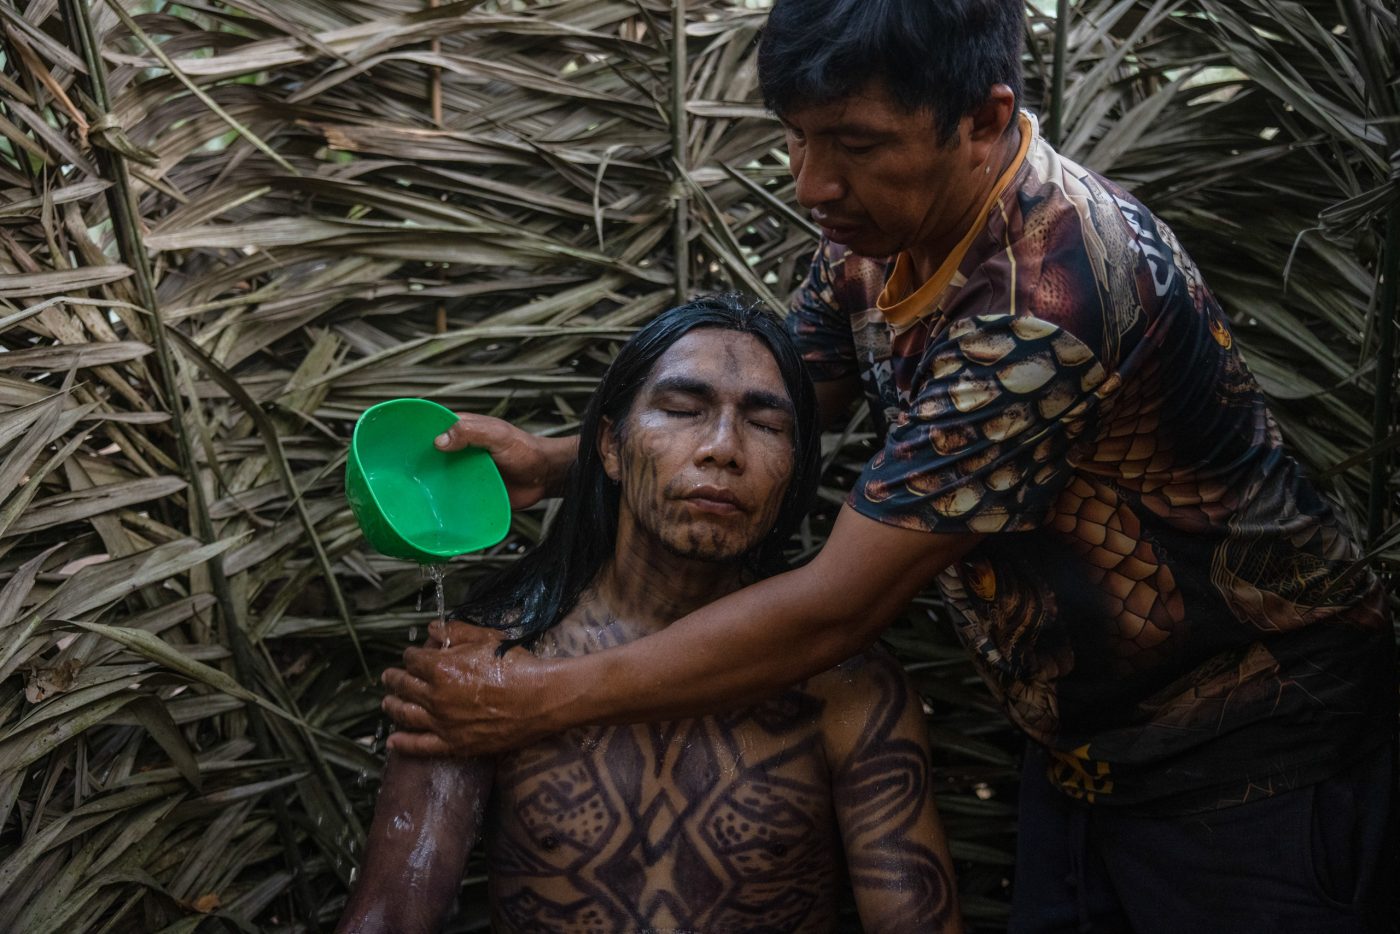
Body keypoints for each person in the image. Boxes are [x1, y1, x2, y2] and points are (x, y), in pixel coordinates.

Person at [382, 2, 1398, 931]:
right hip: (1088, 762)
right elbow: (796, 399)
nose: (813, 183)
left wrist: (531, 703)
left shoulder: (1049, 298)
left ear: (984, 119)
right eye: (797, 138)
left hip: (1258, 763)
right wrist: (562, 463)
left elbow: (834, 606)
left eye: (854, 144)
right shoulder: (878, 231)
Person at [343, 297, 963, 933]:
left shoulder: (849, 689)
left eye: (767, 426)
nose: (723, 449)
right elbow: (391, 916)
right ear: (609, 447)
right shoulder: (484, 671)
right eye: (681, 410)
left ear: (795, 472)